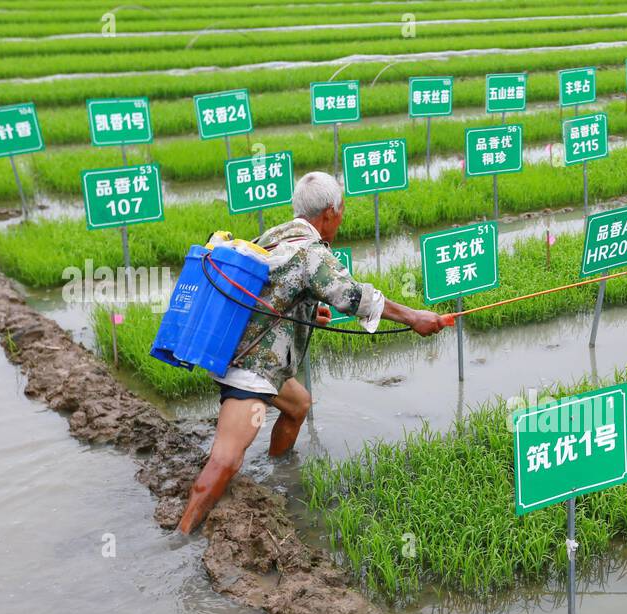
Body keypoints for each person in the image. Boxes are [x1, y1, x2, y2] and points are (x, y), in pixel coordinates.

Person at [178, 172, 443, 534]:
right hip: (251, 366)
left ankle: (278, 469)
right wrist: (415, 317)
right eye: (342, 210)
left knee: (298, 404)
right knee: (226, 459)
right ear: (331, 212)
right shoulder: (311, 252)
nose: (343, 217)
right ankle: (182, 534)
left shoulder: (278, 235)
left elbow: (274, 288)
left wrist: (304, 310)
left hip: (240, 345)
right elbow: (354, 296)